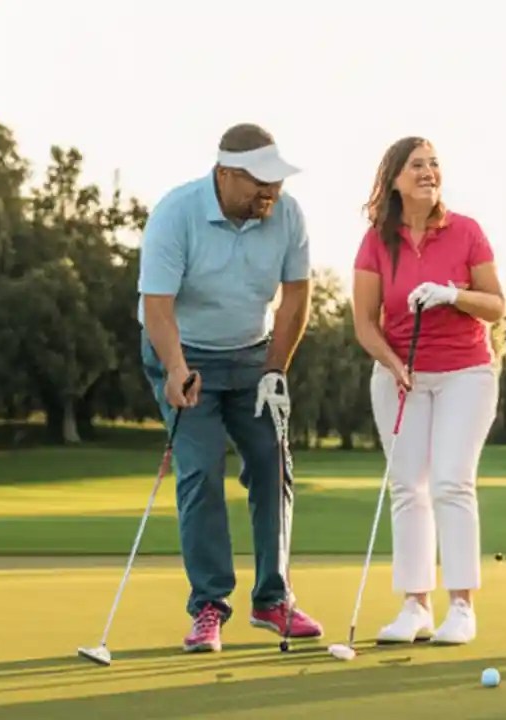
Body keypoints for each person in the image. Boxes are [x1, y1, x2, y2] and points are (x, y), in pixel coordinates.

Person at [136, 122, 322, 653]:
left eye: (276, 181)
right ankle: (210, 606)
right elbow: (157, 307)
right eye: (258, 182)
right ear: (224, 174)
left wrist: (276, 369)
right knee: (200, 470)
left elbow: (295, 300)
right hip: (185, 353)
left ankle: (273, 598)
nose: (270, 192)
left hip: (251, 357)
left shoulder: (287, 215)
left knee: (273, 463)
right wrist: (174, 369)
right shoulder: (177, 213)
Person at [351, 136, 505, 646]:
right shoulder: (377, 240)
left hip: (466, 373)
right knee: (407, 487)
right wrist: (392, 364)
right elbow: (365, 324)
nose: (428, 172)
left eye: (434, 163)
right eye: (416, 165)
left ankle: (462, 606)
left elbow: (496, 305)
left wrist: (452, 295)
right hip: (401, 376)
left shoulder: (466, 232)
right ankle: (414, 606)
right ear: (394, 178)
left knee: (450, 483)